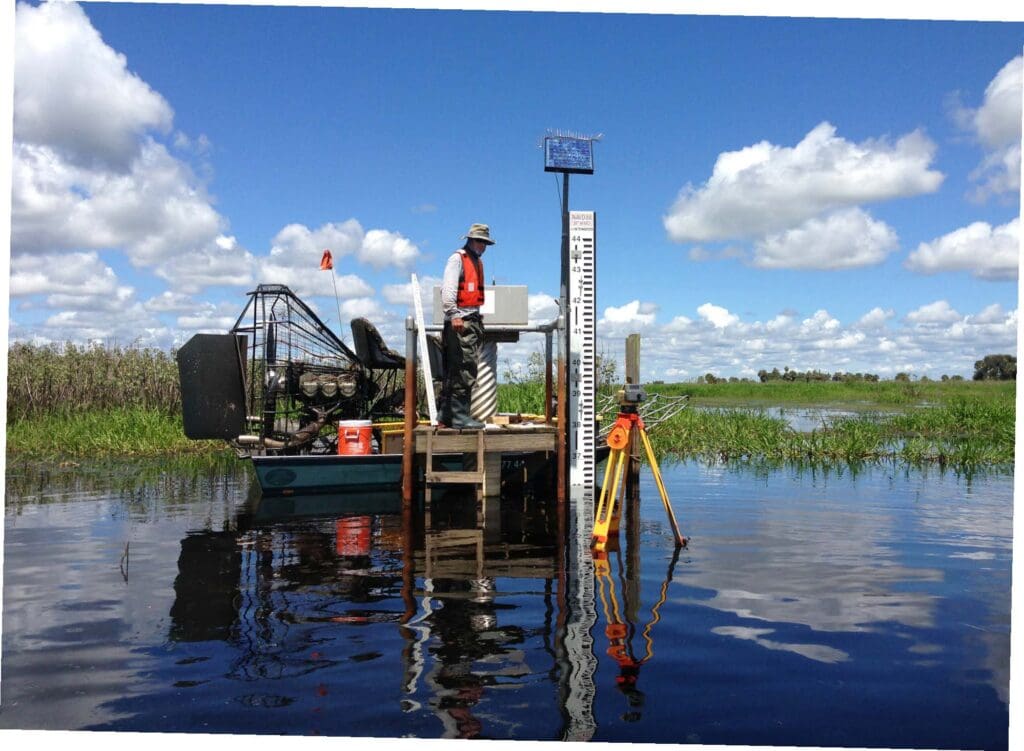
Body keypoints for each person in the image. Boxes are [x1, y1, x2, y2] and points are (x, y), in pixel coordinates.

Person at [438, 223, 495, 429]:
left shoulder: (477, 262)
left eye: (485, 243)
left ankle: (445, 416)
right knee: (463, 367)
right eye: (481, 241)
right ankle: (460, 416)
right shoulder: (457, 259)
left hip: (471, 319)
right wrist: (453, 314)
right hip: (460, 321)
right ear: (471, 240)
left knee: (460, 367)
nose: (483, 246)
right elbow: (448, 289)